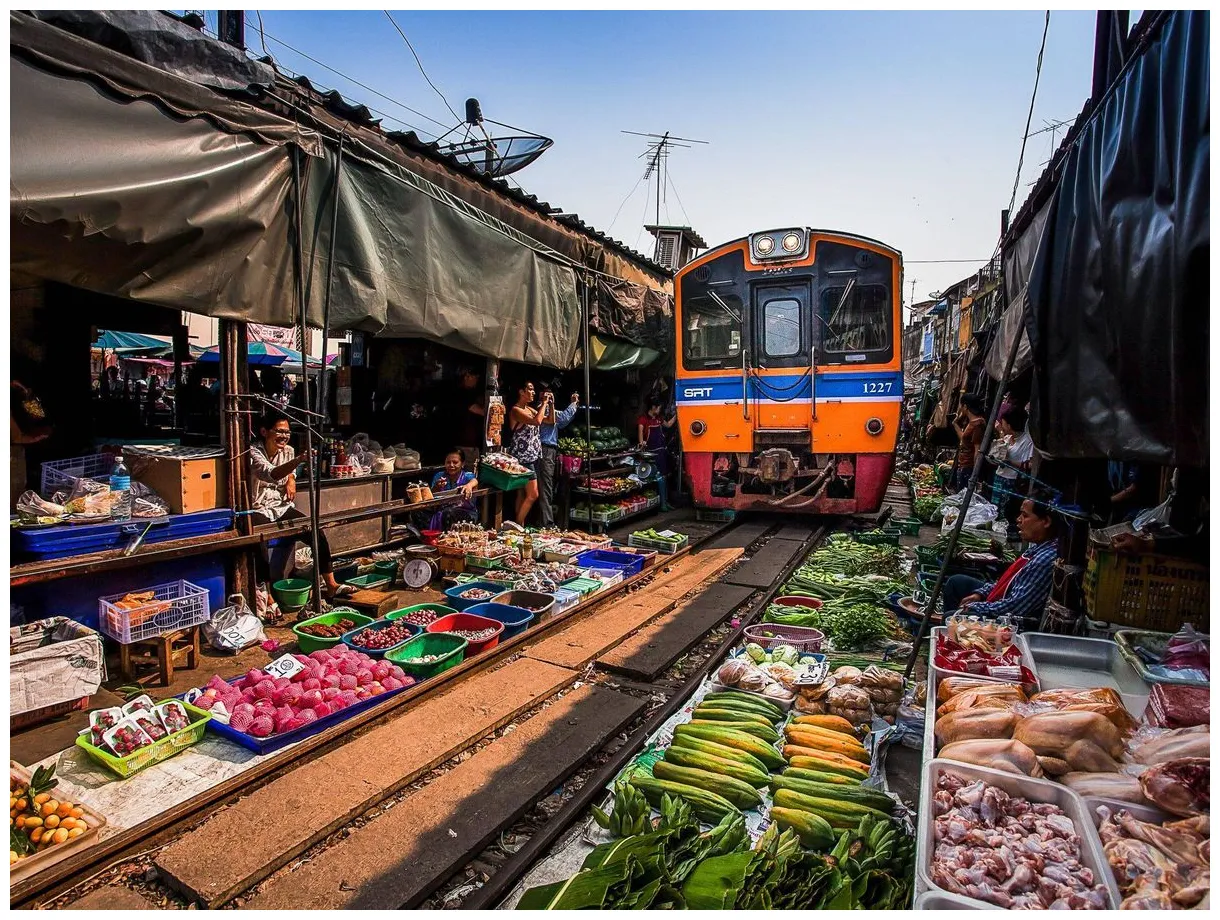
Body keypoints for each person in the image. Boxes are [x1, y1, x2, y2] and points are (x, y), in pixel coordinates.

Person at [249, 410, 352, 599]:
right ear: (264, 432)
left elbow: (290, 473)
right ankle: (267, 596)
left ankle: (331, 584)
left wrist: (291, 478)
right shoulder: (254, 452)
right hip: (258, 508)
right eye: (279, 431)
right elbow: (271, 474)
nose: (284, 436)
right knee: (260, 542)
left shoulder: (288, 451)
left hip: (280, 507)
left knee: (315, 531)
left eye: (287, 432)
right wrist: (298, 462)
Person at [942, 492, 1061, 626]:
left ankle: (956, 628)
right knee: (956, 582)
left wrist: (975, 607)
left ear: (1046, 522)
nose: (1019, 519)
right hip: (1007, 598)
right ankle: (955, 627)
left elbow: (1015, 607)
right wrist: (980, 594)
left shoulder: (1044, 560)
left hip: (1011, 620)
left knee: (950, 616)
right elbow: (1008, 582)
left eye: (1025, 515)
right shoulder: (1038, 547)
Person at [537, 382, 580, 527]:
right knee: (545, 486)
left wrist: (572, 405)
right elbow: (560, 419)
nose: (549, 396)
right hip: (544, 449)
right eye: (546, 393)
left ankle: (544, 520)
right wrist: (573, 404)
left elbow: (561, 421)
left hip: (549, 450)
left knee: (546, 486)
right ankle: (547, 523)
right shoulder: (541, 409)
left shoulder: (548, 409)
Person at [989, 406, 1034, 534]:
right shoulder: (1008, 438)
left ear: (1010, 425)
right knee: (995, 512)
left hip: (1012, 482)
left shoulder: (1027, 442)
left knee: (1007, 514)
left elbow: (1031, 465)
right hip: (999, 478)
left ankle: (1006, 536)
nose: (1001, 426)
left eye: (1003, 423)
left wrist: (1010, 463)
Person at [508, 381, 546, 523]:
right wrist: (544, 403)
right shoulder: (516, 410)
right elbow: (537, 421)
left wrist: (550, 404)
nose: (533, 392)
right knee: (533, 494)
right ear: (521, 392)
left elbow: (549, 420)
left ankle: (520, 524)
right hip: (523, 457)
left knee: (522, 493)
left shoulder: (530, 409)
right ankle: (518, 523)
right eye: (530, 389)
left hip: (533, 455)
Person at [637, 399, 677, 512]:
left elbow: (668, 425)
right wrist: (642, 443)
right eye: (659, 408)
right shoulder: (643, 419)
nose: (659, 410)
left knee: (665, 477)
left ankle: (666, 502)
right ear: (653, 407)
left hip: (661, 452)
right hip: (651, 453)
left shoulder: (659, 418)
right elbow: (640, 436)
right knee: (659, 477)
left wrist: (677, 415)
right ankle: (662, 503)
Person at [425, 450, 481, 529]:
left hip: (466, 513)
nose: (451, 465)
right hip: (441, 512)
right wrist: (437, 487)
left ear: (462, 464)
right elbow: (431, 497)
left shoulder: (467, 476)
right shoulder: (439, 476)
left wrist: (469, 485)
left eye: (455, 462)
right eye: (448, 462)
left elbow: (474, 481)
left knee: (448, 513)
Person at [452, 365, 487, 464]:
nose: (476, 380)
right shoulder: (462, 394)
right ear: (467, 376)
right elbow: (482, 411)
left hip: (469, 443)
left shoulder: (469, 393)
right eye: (475, 377)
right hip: (465, 443)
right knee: (469, 469)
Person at [951, 394, 986, 491]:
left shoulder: (977, 424)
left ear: (965, 406)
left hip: (968, 466)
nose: (960, 409)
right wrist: (955, 424)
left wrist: (975, 472)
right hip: (964, 464)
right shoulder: (971, 422)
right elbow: (964, 438)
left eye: (961, 406)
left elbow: (977, 449)